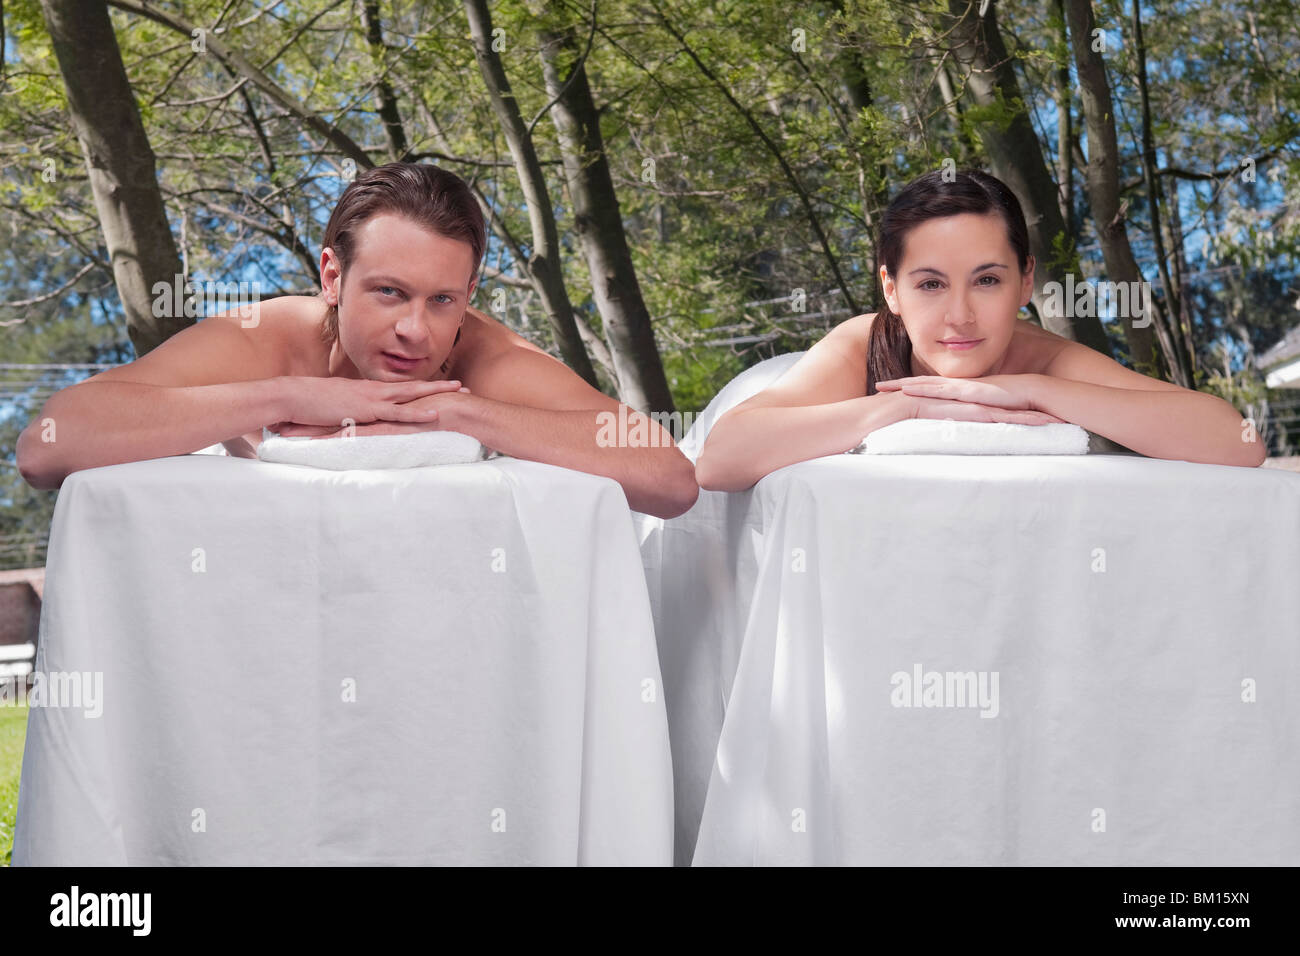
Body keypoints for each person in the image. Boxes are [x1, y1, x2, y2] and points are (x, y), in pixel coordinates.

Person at [16, 162, 698, 519]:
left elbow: (668, 478)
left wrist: (456, 409)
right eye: (390, 293)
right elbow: (49, 444)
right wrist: (287, 397)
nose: (416, 329)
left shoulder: (480, 355)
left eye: (443, 300)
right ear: (332, 275)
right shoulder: (274, 337)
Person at [694, 168, 1264, 491]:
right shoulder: (860, 341)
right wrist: (911, 406)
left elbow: (1237, 442)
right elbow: (720, 460)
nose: (961, 316)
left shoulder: (1046, 360)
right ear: (891, 289)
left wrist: (1032, 390)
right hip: (771, 387)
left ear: (1025, 282)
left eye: (987, 281)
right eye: (931, 285)